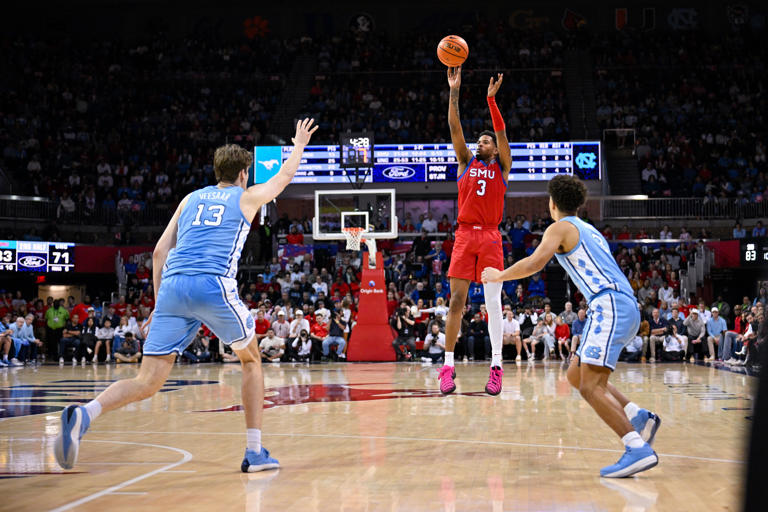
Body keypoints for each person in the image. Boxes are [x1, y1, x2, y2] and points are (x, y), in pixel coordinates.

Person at [54, 118, 318, 473]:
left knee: (146, 381)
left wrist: (159, 303)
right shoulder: (246, 196)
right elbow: (283, 179)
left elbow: (159, 253)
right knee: (251, 361)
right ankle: (254, 452)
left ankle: (85, 413)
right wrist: (299, 144)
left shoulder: (190, 199)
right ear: (243, 173)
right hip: (211, 283)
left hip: (174, 287)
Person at [482, 175, 661, 478]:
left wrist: (499, 275)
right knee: (575, 374)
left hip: (609, 304)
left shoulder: (560, 227)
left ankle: (636, 447)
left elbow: (535, 262)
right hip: (624, 305)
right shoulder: (589, 229)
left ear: (552, 204)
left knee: (590, 386)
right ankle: (636, 414)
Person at [440, 67, 512, 396]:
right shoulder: (465, 161)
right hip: (466, 235)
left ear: (494, 149)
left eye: (485, 141)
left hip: (491, 236)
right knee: (456, 301)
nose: (479, 143)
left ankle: (496, 366)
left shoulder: (502, 166)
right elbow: (454, 125)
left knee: (493, 303)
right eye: (479, 140)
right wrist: (454, 91)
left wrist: (491, 100)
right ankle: (447, 366)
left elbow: (501, 132)